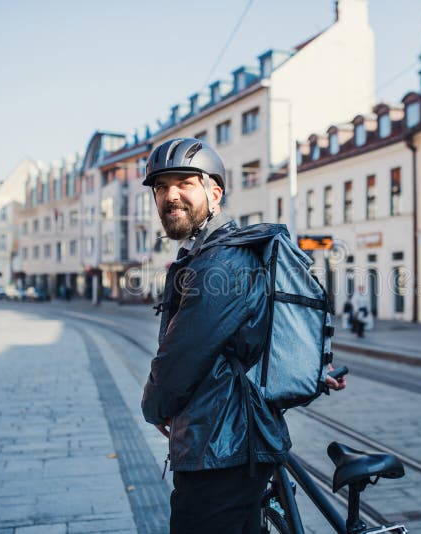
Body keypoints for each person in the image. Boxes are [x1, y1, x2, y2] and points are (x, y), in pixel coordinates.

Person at [140, 138, 346, 534]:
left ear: (215, 193)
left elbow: (182, 356)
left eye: (184, 183)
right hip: (230, 441)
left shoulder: (221, 262)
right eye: (161, 187)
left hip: (223, 446)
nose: (170, 196)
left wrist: (154, 406)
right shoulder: (214, 255)